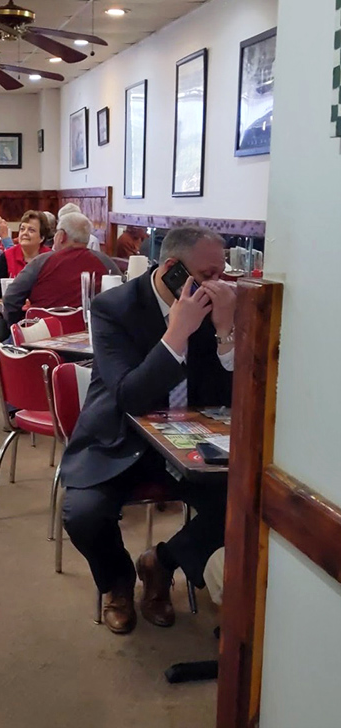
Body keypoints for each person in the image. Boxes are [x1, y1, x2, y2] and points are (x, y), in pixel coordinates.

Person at [60, 225, 235, 635]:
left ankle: (161, 563)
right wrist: (177, 333)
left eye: (222, 274)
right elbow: (130, 396)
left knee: (243, 502)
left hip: (188, 440)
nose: (218, 285)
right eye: (209, 275)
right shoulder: (112, 307)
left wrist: (225, 332)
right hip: (120, 438)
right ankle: (117, 584)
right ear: (173, 268)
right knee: (83, 514)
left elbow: (226, 400)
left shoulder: (215, 307)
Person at [4, 212, 120, 326]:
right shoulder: (106, 262)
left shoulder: (41, 262)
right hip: (89, 335)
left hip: (41, 336)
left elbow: (11, 297)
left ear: (61, 236)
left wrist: (18, 325)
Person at [0, 210, 51, 342]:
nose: (25, 233)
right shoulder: (6, 257)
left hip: (41, 316)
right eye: (22, 229)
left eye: (31, 230)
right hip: (7, 315)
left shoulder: (50, 258)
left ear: (42, 238)